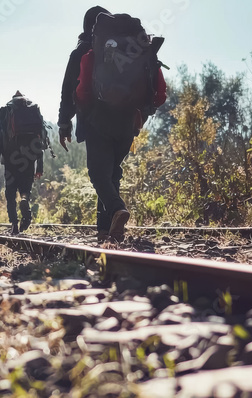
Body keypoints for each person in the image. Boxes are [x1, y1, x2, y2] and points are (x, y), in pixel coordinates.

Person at [58, 6, 157, 242]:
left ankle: (116, 210)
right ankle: (107, 230)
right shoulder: (127, 47)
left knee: (98, 174)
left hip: (97, 120)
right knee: (112, 173)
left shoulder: (83, 51)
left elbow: (68, 91)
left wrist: (64, 124)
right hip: (127, 120)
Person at [0, 91, 46, 235]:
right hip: (30, 153)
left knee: (10, 190)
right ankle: (24, 199)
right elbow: (42, 137)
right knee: (25, 186)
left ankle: (14, 224)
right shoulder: (33, 109)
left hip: (10, 155)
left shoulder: (6, 110)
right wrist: (40, 165)